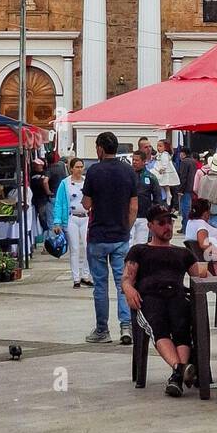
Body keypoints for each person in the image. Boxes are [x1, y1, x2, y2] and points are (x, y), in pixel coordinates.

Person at [122, 204, 198, 397]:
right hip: (150, 298)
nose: (168, 227)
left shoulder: (184, 253)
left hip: (177, 296)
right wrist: (128, 289)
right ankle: (180, 370)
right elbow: (126, 278)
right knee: (158, 325)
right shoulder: (139, 250)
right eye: (161, 223)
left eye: (170, 222)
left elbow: (200, 276)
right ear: (150, 226)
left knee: (183, 326)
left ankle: (177, 375)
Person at [82, 132, 138, 345]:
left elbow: (86, 204)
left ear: (100, 149)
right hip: (120, 236)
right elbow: (134, 207)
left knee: (100, 286)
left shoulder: (94, 171)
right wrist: (126, 228)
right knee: (122, 282)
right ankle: (126, 326)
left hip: (98, 236)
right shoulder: (128, 171)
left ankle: (102, 330)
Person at [52, 157, 92, 287]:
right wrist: (57, 222)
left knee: (88, 247)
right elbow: (59, 203)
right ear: (71, 169)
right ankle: (76, 278)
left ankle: (85, 275)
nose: (79, 169)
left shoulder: (87, 182)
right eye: (77, 167)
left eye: (81, 167)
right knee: (74, 248)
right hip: (71, 218)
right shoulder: (65, 183)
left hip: (86, 217)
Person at [131, 149, 163, 245]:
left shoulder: (151, 177)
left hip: (144, 217)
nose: (134, 162)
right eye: (133, 160)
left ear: (144, 162)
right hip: (129, 216)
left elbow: (157, 197)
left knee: (141, 244)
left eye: (137, 160)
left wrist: (153, 213)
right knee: (128, 245)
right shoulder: (128, 176)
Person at [183, 197, 217, 266]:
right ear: (205, 213)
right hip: (213, 259)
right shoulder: (201, 224)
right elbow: (204, 244)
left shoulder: (190, 222)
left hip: (208, 257)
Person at [151, 138, 179, 206]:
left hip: (163, 170)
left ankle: (168, 194)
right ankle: (168, 194)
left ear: (165, 147)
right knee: (164, 184)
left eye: (160, 146)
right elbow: (156, 157)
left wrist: (163, 168)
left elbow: (165, 162)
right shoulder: (160, 154)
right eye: (158, 146)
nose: (158, 148)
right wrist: (154, 157)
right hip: (158, 169)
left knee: (164, 182)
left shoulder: (165, 154)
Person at [29, 158, 52, 237]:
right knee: (35, 217)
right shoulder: (31, 173)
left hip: (42, 198)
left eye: (37, 164)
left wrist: (48, 192)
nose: (35, 166)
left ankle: (47, 232)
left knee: (43, 216)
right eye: (34, 164)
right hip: (34, 198)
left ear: (42, 165)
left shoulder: (45, 173)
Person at [176, 148, 196, 230]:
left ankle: (185, 227)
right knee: (188, 208)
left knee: (185, 209)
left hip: (185, 189)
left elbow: (183, 176)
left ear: (183, 154)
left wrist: (180, 189)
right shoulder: (193, 162)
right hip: (191, 187)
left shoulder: (184, 162)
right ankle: (187, 227)